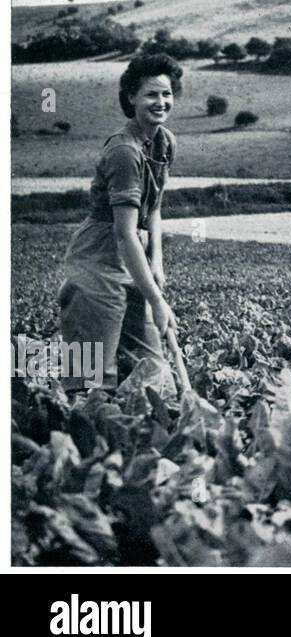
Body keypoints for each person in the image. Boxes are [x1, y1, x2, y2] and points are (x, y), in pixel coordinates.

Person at [56, 54, 182, 394]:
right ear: (131, 98)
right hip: (97, 261)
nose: (161, 102)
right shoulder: (124, 151)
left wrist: (156, 262)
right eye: (151, 94)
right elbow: (124, 232)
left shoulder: (164, 141)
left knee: (156, 380)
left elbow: (152, 207)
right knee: (90, 380)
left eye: (166, 94)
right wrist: (157, 300)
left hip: (134, 261)